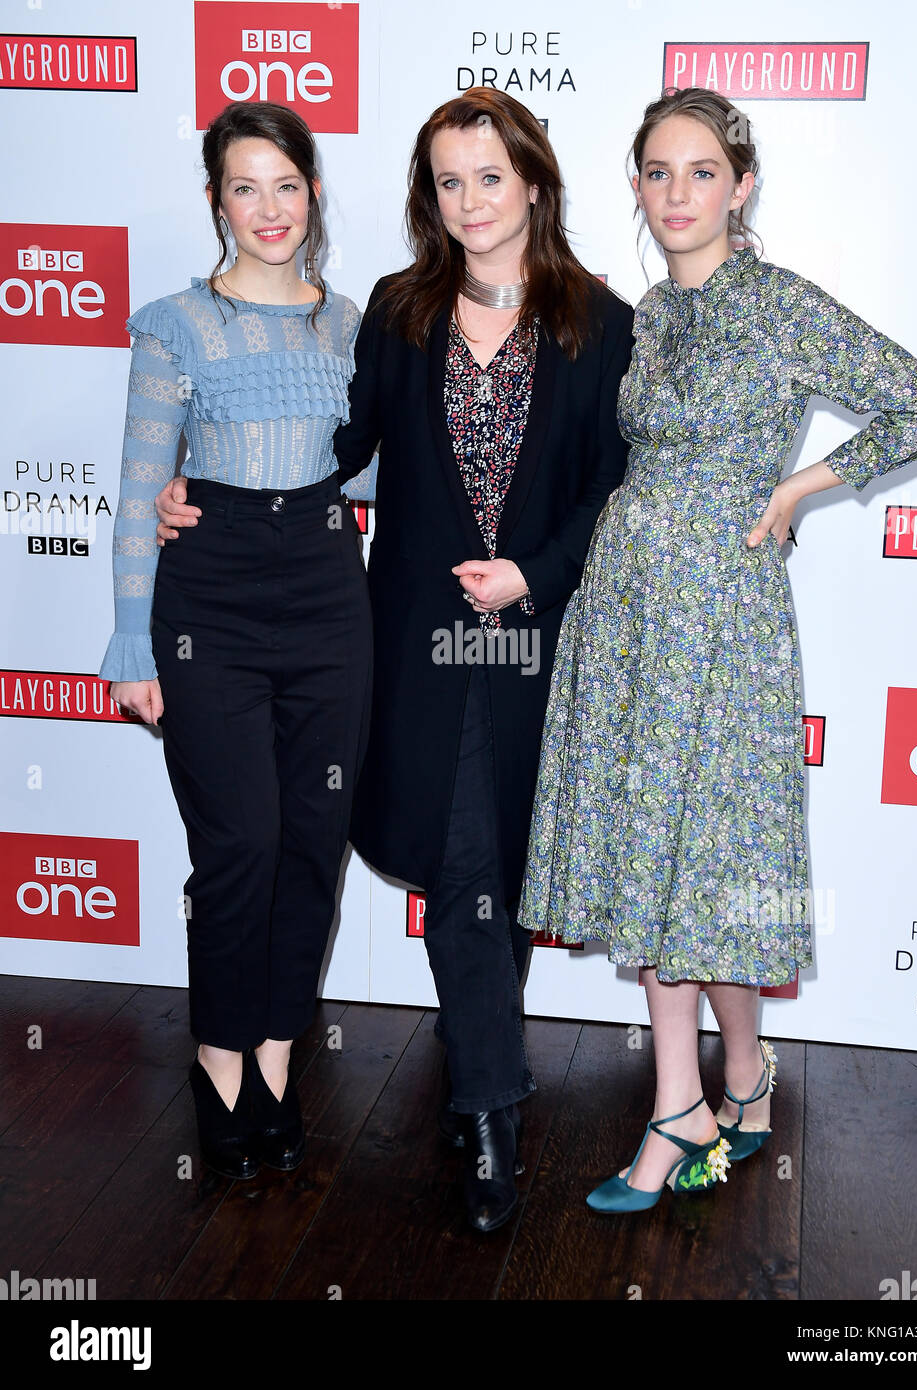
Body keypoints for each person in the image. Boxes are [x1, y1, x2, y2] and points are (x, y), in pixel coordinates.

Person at [155, 88, 634, 1230]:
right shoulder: (398, 311)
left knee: (493, 863)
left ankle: (482, 1095)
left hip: (529, 637)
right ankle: (484, 1112)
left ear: (533, 182)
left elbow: (611, 490)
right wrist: (206, 490)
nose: (468, 201)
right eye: (447, 180)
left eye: (489, 176)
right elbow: (342, 446)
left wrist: (534, 572)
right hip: (413, 638)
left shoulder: (599, 322)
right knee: (467, 856)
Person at [519, 86, 917, 1212]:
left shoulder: (777, 306)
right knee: (678, 864)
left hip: (719, 618)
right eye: (657, 173)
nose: (678, 194)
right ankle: (740, 1077)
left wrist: (805, 487)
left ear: (743, 184)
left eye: (702, 172)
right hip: (627, 610)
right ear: (636, 188)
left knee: (694, 860)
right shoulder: (648, 316)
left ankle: (680, 1111)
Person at [101, 100, 372, 1180]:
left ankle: (275, 1050)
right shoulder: (173, 321)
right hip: (208, 594)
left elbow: (374, 472)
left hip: (323, 581)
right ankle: (219, 1056)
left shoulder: (351, 323)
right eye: (245, 186)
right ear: (215, 199)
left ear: (313, 194)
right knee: (240, 843)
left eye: (287, 185)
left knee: (312, 840)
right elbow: (135, 489)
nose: (269, 208)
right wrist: (131, 638)